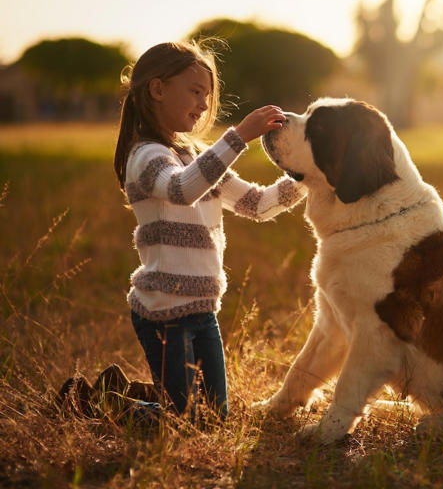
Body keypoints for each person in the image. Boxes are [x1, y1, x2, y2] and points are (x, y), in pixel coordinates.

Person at [59, 40, 306, 423]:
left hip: (203, 311)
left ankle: (127, 391)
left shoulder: (197, 157)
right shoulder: (145, 157)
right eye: (195, 92)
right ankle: (93, 400)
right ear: (157, 90)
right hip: (163, 313)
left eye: (207, 96)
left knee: (214, 417)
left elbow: (257, 204)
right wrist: (238, 136)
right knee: (186, 421)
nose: (204, 104)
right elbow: (181, 189)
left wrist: (308, 177)